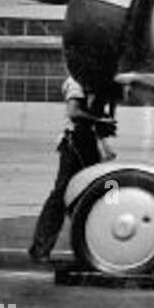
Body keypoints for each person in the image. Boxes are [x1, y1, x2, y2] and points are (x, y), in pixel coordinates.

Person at [28, 74, 117, 263]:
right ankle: (40, 248)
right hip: (74, 142)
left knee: (93, 194)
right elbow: (73, 112)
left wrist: (103, 137)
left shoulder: (97, 82)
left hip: (89, 142)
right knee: (62, 194)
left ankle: (93, 247)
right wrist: (99, 121)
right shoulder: (76, 81)